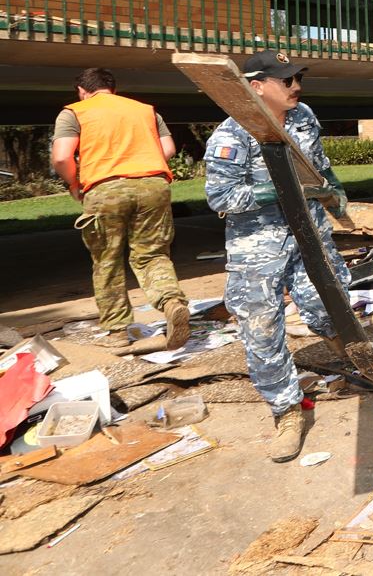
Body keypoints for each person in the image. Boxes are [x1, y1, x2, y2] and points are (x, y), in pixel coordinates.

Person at [204, 50, 350, 463]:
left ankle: (352, 356)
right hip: (259, 245)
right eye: (287, 81)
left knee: (329, 304)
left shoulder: (302, 116)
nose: (296, 86)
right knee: (262, 327)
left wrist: (335, 189)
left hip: (309, 232)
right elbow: (221, 197)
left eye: (298, 78)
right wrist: (284, 189)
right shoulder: (231, 136)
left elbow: (318, 164)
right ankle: (286, 411)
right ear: (256, 87)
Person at [50, 68, 190, 349]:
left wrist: (75, 184)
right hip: (153, 185)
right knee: (152, 254)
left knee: (107, 259)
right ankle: (172, 302)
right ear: (112, 88)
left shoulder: (74, 112)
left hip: (105, 188)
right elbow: (168, 149)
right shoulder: (145, 110)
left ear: (82, 91)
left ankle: (117, 331)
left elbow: (62, 157)